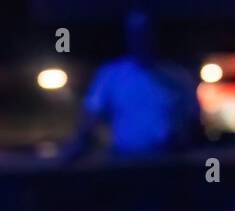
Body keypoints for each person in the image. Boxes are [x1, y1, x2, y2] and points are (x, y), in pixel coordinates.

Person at [64, 9, 200, 158]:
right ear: (128, 36)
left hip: (168, 162)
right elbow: (91, 114)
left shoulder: (177, 76)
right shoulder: (111, 75)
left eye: (146, 32)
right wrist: (78, 146)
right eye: (136, 33)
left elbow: (193, 117)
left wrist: (184, 141)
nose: (142, 38)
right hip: (125, 163)